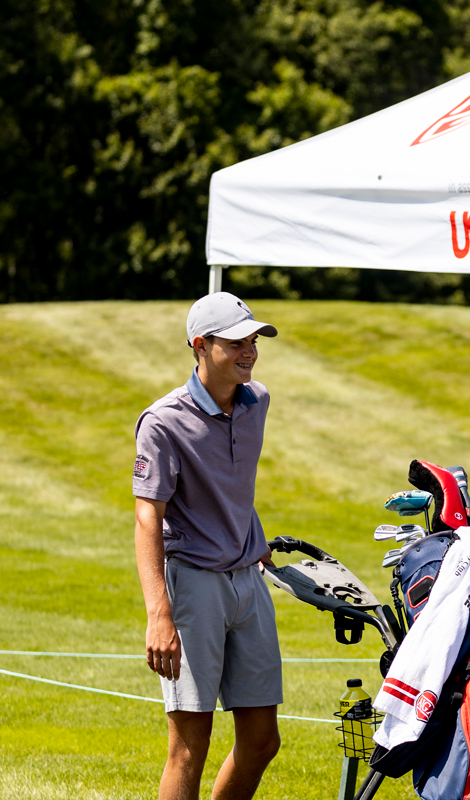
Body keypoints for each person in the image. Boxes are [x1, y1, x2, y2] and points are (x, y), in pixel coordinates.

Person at [133, 292, 282, 800]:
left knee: (262, 741)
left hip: (248, 582)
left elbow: (235, 482)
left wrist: (252, 535)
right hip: (193, 586)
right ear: (201, 345)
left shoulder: (256, 401)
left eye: (254, 340)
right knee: (189, 748)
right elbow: (147, 513)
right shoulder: (162, 421)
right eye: (237, 342)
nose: (250, 351)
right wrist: (159, 613)